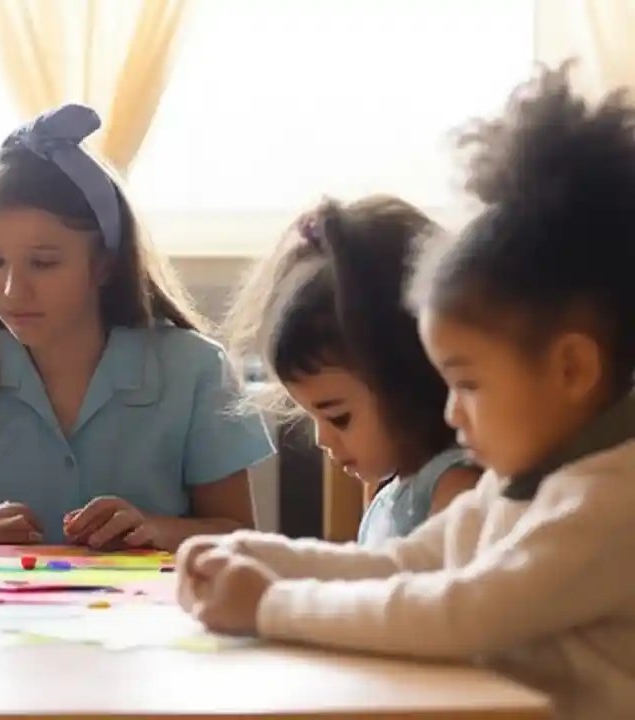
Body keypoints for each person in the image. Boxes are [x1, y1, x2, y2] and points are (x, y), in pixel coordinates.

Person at [178, 65, 635, 720]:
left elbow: (461, 612)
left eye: (468, 383)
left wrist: (268, 603)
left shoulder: (609, 501)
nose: (451, 411)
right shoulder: (528, 483)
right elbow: (412, 562)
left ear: (571, 369)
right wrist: (265, 557)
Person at [0, 104, 273, 550]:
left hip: (152, 615)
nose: (13, 291)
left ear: (104, 266)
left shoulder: (195, 369)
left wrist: (156, 528)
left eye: (44, 262)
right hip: (2, 616)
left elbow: (237, 534)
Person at [220, 195, 480, 546]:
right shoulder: (390, 486)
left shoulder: (456, 491)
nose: (321, 440)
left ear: (412, 379)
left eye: (339, 417)